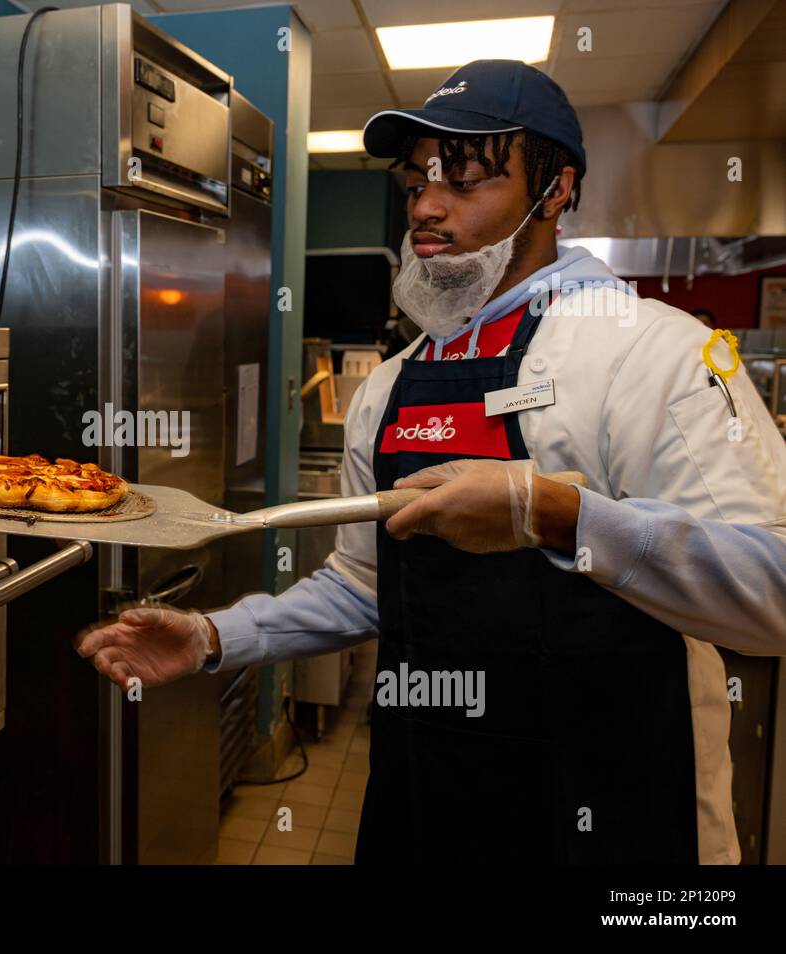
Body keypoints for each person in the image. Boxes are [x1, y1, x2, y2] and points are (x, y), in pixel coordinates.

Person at [75, 60, 786, 864]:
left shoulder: (659, 353)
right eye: (417, 181)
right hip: (426, 803)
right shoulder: (391, 384)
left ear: (554, 191)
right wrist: (214, 636)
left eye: (467, 176)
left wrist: (554, 515)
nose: (428, 206)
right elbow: (365, 583)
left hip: (618, 816)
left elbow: (773, 594)